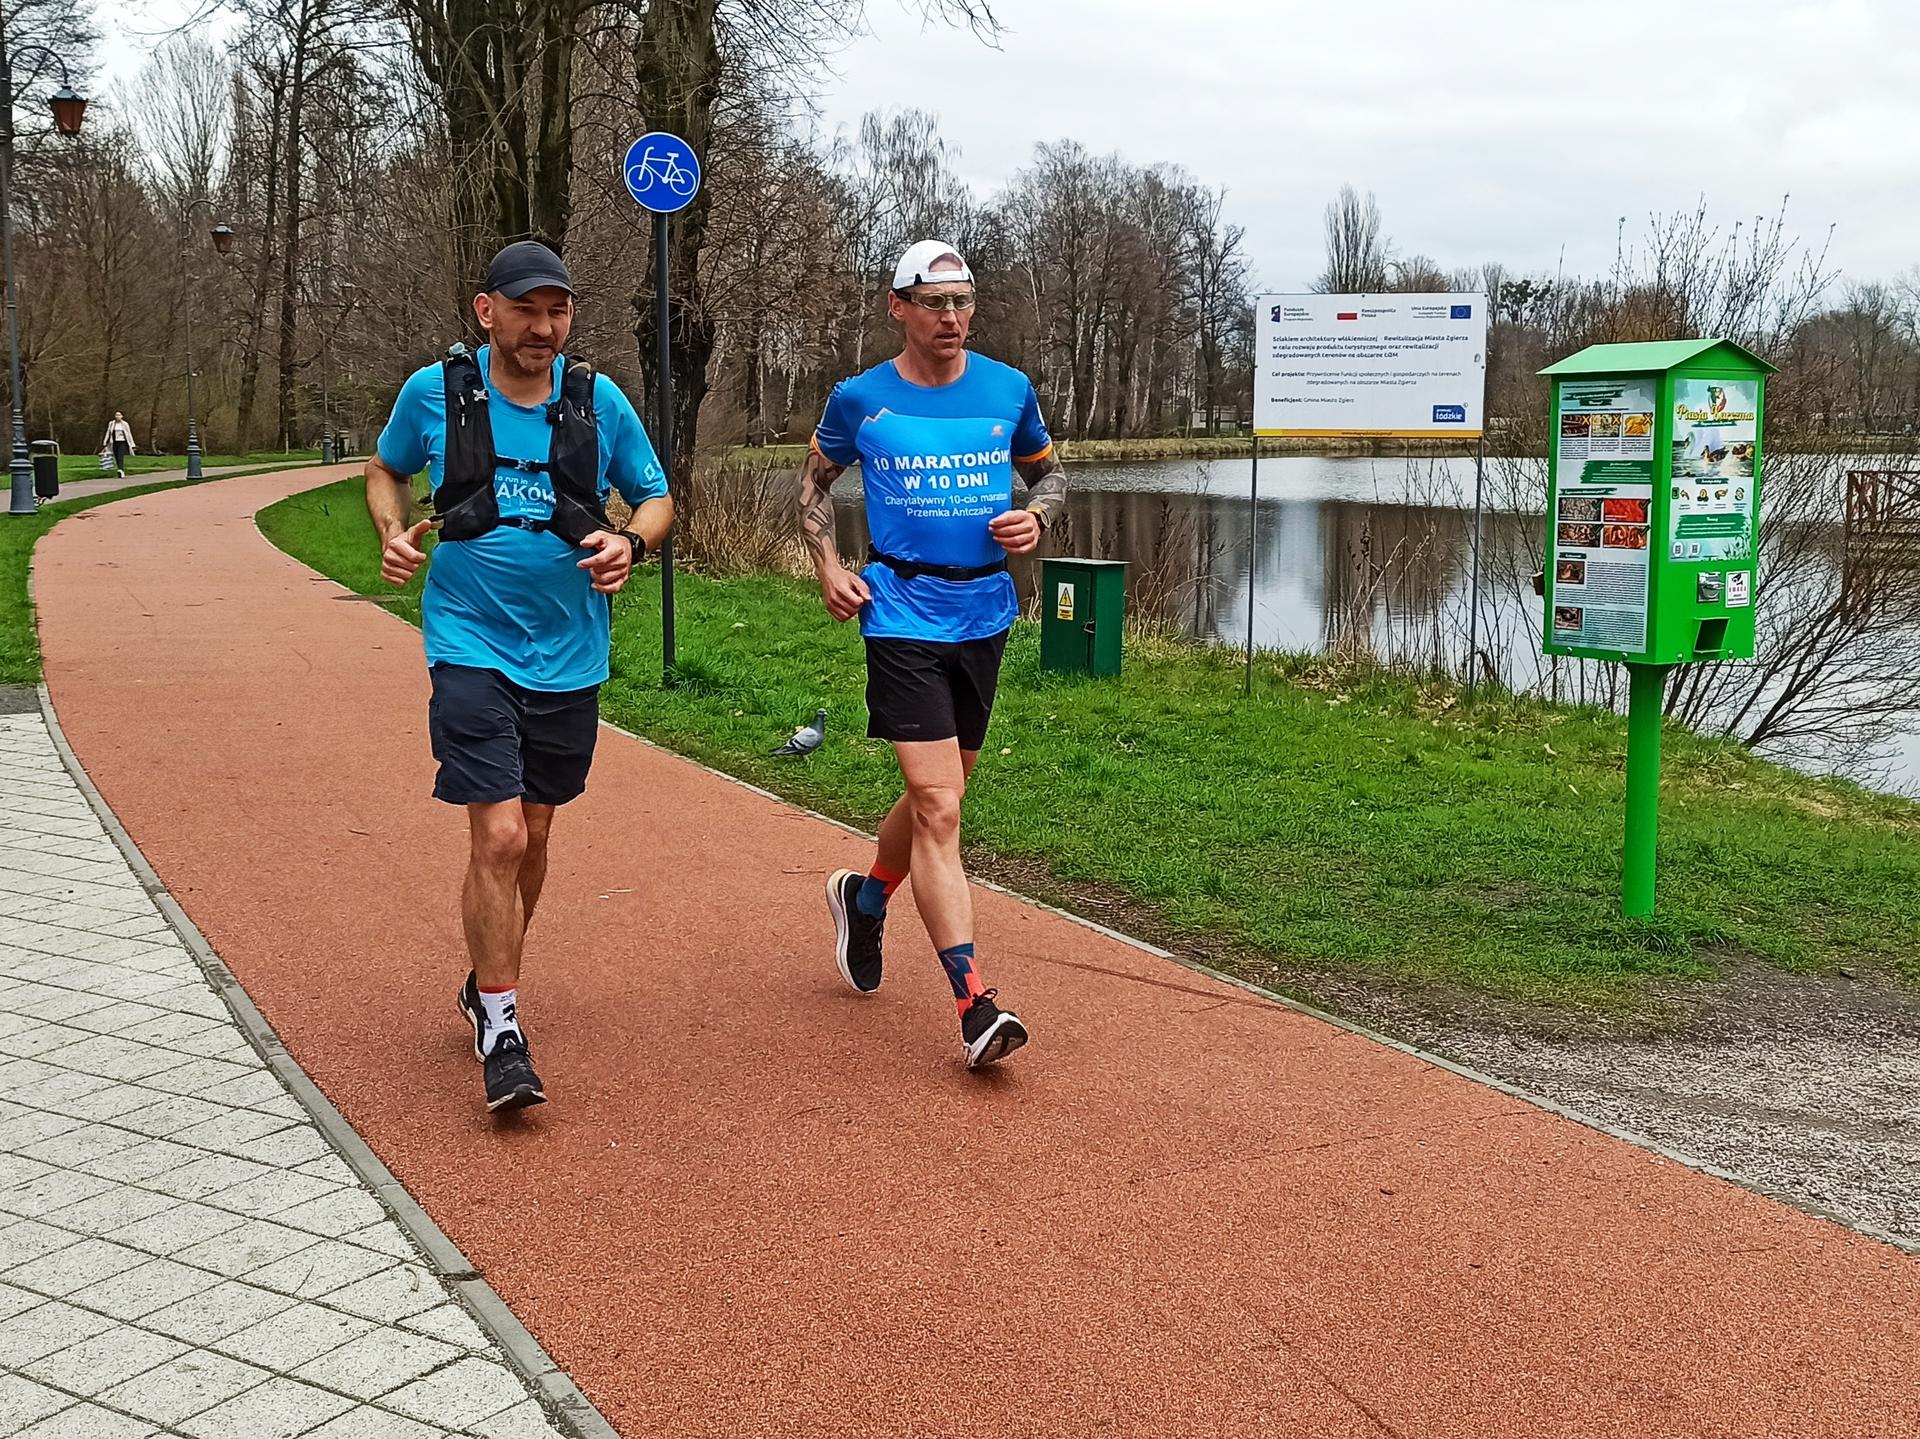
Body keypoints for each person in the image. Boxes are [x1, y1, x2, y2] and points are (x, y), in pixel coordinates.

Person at [365, 240, 673, 1112]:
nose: (543, 328)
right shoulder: (436, 394)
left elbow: (655, 497)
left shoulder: (598, 401)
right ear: (485, 309)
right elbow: (386, 468)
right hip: (467, 640)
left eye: (557, 311)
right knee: (497, 836)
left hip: (570, 649)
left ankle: (484, 979)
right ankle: (502, 1024)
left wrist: (631, 541)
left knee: (535, 832)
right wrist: (389, 529)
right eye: (527, 310)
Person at [799, 240, 1068, 1069]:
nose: (951, 317)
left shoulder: (1008, 388)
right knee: (940, 807)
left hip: (985, 610)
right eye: (934, 301)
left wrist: (1041, 518)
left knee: (938, 801)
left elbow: (1054, 477)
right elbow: (813, 485)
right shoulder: (860, 399)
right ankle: (975, 1004)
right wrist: (830, 566)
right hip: (901, 612)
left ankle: (866, 895)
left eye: (963, 302)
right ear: (898, 307)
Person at [104, 412, 136, 478]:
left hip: (122, 442)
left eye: (119, 415)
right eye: (116, 415)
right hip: (114, 442)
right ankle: (119, 469)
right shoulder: (111, 423)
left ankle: (121, 470)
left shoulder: (125, 424)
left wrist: (132, 444)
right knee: (116, 456)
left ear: (122, 416)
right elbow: (108, 432)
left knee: (120, 455)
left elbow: (129, 434)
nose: (117, 416)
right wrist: (105, 441)